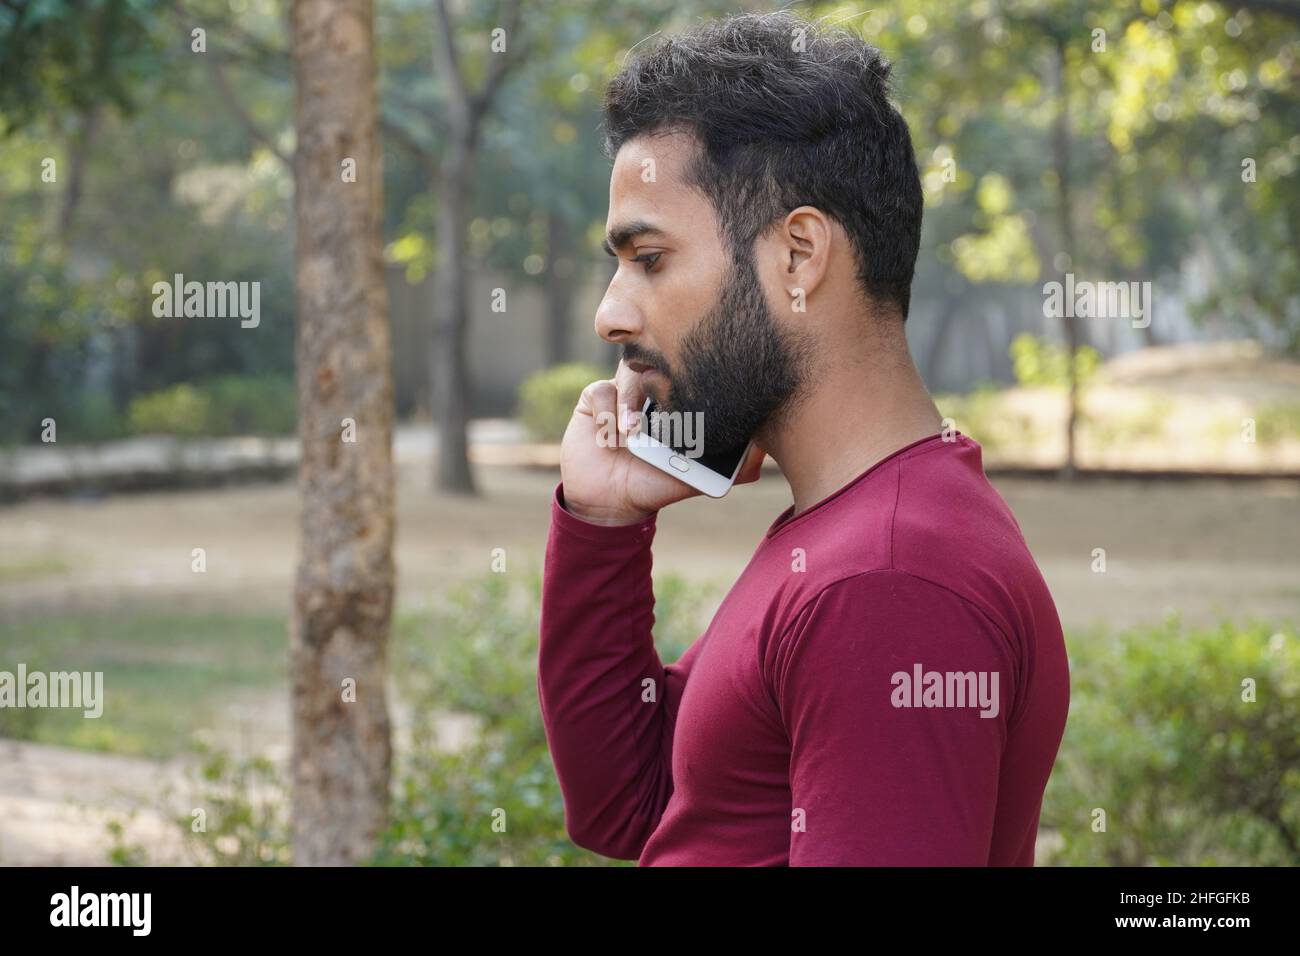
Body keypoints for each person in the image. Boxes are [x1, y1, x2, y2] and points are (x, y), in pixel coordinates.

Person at [537, 11, 1070, 866]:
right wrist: (603, 523)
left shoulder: (886, 580)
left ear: (797, 256)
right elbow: (630, 807)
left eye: (649, 258)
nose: (611, 312)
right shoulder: (846, 533)